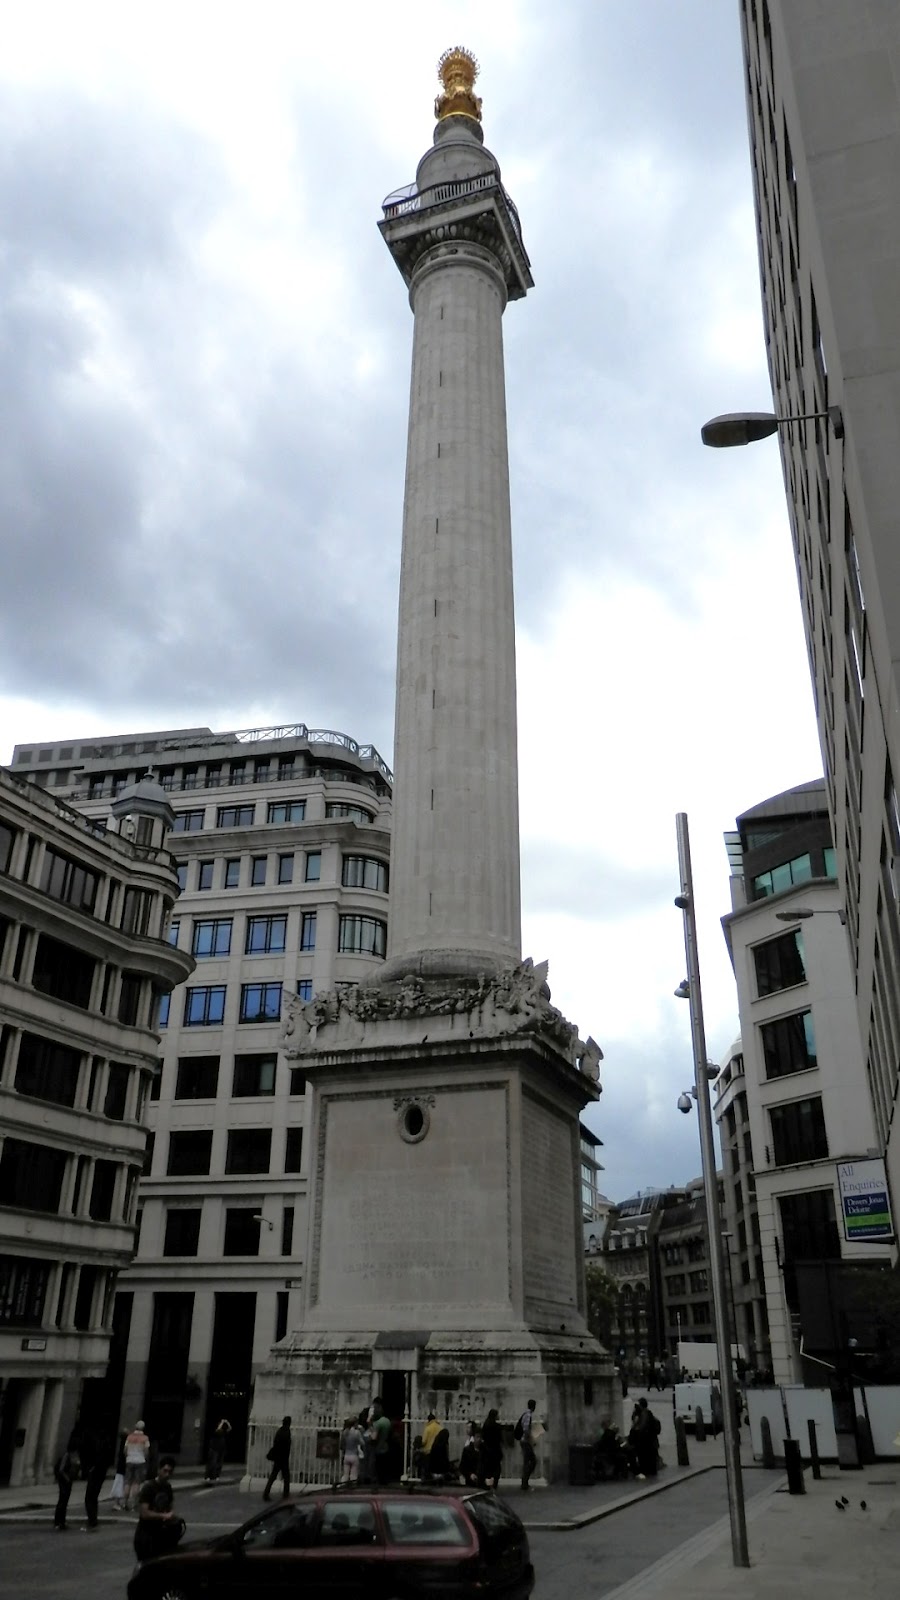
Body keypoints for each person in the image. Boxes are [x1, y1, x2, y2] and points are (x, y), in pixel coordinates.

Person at [134, 1457, 184, 1563]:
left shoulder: (168, 1487)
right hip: (146, 1537)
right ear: (159, 1470)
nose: (167, 1475)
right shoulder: (149, 1487)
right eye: (165, 1471)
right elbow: (144, 1513)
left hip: (160, 1536)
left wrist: (172, 1516)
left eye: (170, 1472)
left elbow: (169, 1507)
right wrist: (163, 1516)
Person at [80, 1426, 113, 1530]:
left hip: (96, 1470)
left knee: (90, 1497)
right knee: (93, 1497)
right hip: (101, 1471)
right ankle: (93, 1520)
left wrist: (91, 1468)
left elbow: (95, 1454)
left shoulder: (98, 1442)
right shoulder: (107, 1443)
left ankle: (92, 1521)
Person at [53, 1442, 81, 1531]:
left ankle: (62, 1521)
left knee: (65, 1501)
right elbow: (61, 1469)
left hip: (69, 1481)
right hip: (64, 1481)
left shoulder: (75, 1456)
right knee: (62, 1500)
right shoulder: (67, 1456)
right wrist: (67, 1478)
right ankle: (57, 1522)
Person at [263, 1416, 293, 1500]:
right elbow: (286, 1446)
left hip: (278, 1458)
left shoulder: (279, 1431)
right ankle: (286, 1495)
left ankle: (266, 1493)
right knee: (286, 1478)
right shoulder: (286, 1432)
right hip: (283, 1459)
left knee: (273, 1476)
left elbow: (276, 1444)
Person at [124, 1420, 150, 1512]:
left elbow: (125, 1450)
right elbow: (146, 1451)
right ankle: (133, 1504)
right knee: (136, 1482)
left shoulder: (129, 1437)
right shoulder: (145, 1438)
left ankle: (125, 1502)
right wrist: (144, 1458)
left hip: (129, 1460)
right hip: (140, 1461)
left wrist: (129, 1456)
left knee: (127, 1482)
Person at [367, 1399, 393, 1486]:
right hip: (386, 1447)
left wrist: (369, 1424)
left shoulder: (377, 1423)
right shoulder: (387, 1421)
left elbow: (374, 1437)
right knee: (384, 1469)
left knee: (377, 1470)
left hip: (378, 1449)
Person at [480, 1408, 503, 1490]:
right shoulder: (495, 1426)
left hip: (487, 1450)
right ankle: (493, 1485)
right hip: (494, 1450)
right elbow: (499, 1438)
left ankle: (488, 1485)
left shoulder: (486, 1424)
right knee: (496, 1469)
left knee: (489, 1470)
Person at [517, 1399, 537, 1491]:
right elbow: (526, 1429)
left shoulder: (525, 1414)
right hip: (525, 1441)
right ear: (534, 1406)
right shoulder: (528, 1415)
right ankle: (525, 1482)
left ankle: (524, 1482)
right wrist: (530, 1440)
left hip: (524, 1441)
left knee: (527, 1461)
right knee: (532, 1461)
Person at [205, 1419, 231, 1483]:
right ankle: (208, 1476)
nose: (221, 1426)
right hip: (214, 1449)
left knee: (219, 1464)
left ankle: (217, 1476)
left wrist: (227, 1422)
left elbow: (230, 1429)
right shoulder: (215, 1431)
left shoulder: (223, 1431)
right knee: (212, 1463)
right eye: (220, 1424)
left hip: (221, 1450)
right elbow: (218, 1430)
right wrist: (222, 1422)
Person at [340, 1417, 365, 1483]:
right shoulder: (356, 1432)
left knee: (345, 1475)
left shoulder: (345, 1432)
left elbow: (342, 1444)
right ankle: (352, 1487)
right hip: (354, 1455)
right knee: (353, 1475)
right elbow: (362, 1442)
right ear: (354, 1424)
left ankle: (342, 1485)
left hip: (346, 1455)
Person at [459, 1422, 482, 1486]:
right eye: (477, 1437)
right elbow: (462, 1467)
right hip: (470, 1482)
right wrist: (470, 1474)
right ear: (474, 1437)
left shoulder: (485, 1451)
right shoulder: (467, 1450)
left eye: (481, 1437)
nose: (479, 1439)